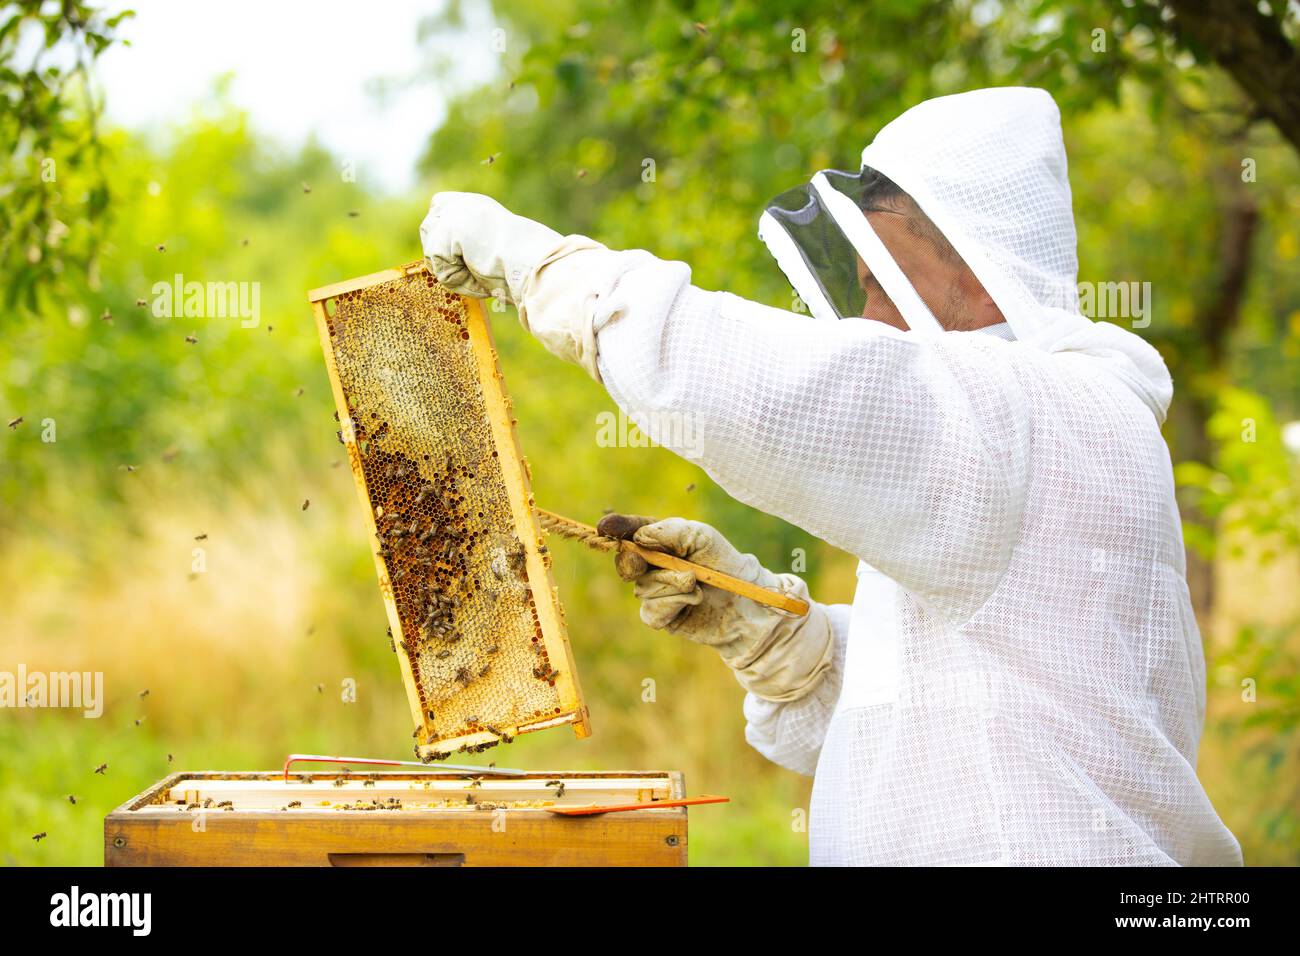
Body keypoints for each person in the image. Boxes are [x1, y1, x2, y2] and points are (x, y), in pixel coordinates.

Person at [420, 86, 1243, 866]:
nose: (872, 320)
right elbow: (952, 718)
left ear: (971, 261)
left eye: (881, 283)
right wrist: (783, 641)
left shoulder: (1034, 416)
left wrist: (547, 272)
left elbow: (749, 384)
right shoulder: (1025, 436)